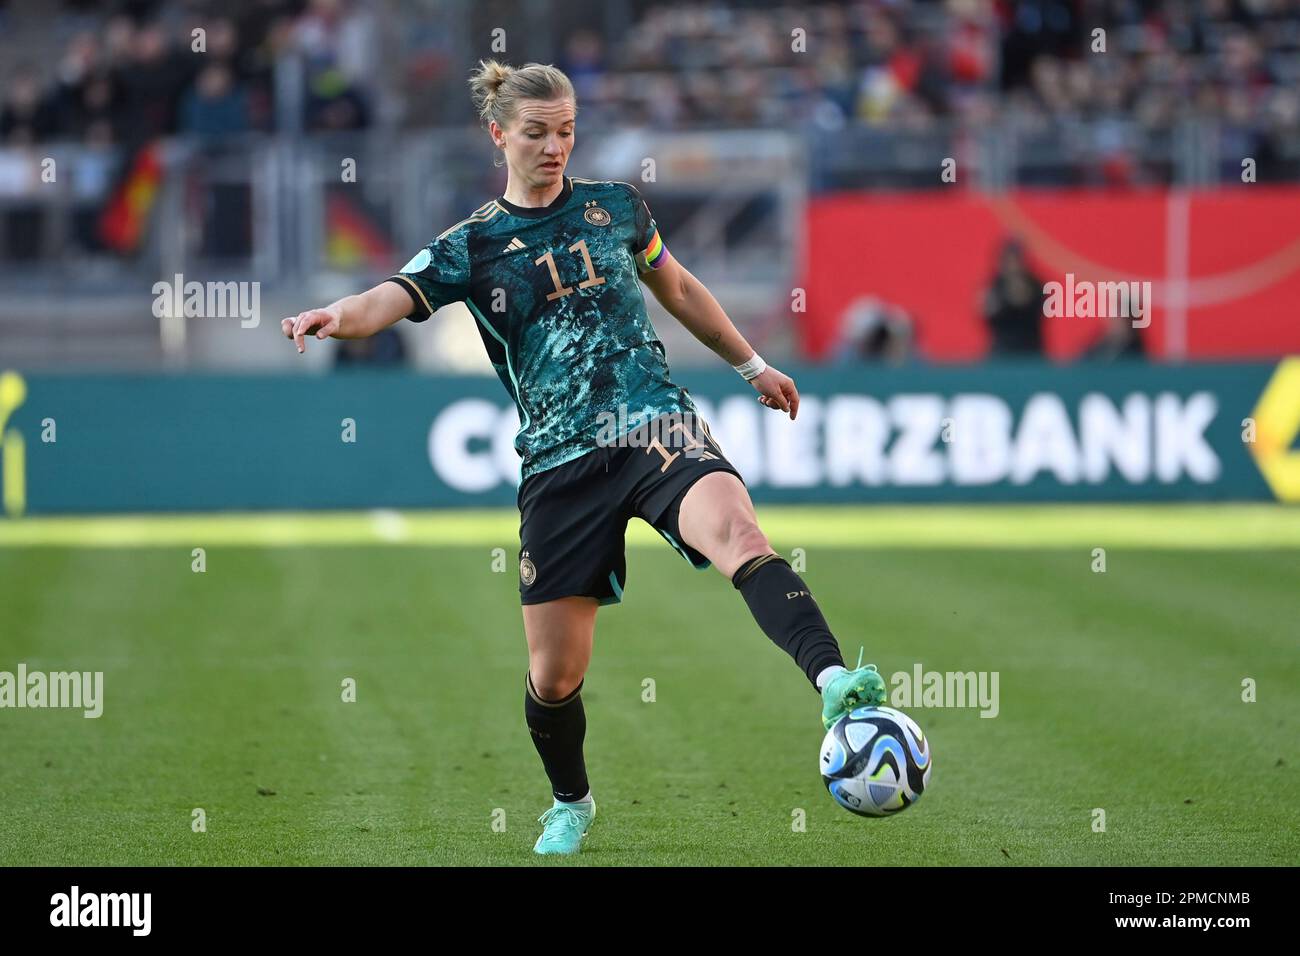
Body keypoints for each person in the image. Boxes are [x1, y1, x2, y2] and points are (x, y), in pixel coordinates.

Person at [280, 60, 886, 855]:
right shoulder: (473, 246)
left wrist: (753, 366)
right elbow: (389, 298)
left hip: (655, 426)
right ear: (498, 134)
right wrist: (337, 315)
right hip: (560, 464)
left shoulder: (616, 209)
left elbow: (680, 289)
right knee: (555, 677)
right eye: (536, 132)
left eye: (566, 130)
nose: (554, 146)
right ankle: (572, 800)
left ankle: (835, 681)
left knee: (741, 536)